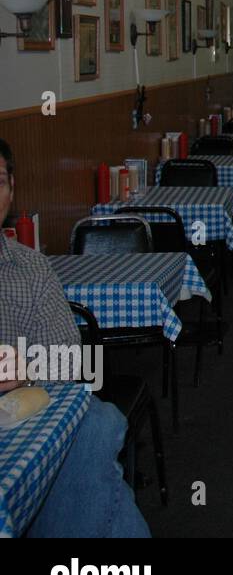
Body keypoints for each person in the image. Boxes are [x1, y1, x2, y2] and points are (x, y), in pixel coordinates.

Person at [0, 138, 150, 537]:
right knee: (100, 427)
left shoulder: (31, 268)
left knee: (96, 423)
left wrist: (28, 368)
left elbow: (74, 363)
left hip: (25, 416)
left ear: (12, 189)